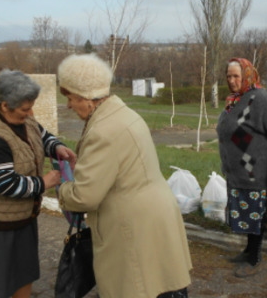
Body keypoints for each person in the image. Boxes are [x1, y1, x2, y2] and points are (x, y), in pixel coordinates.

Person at [56, 54, 192, 298]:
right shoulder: (121, 112)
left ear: (87, 97)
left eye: (70, 97)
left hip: (134, 223)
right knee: (159, 285)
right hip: (152, 213)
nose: (68, 105)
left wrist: (63, 187)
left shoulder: (103, 130)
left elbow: (85, 196)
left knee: (137, 287)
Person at [0, 70, 76, 298]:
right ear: (4, 106)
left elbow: (41, 136)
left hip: (21, 220)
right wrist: (45, 182)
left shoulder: (25, 120)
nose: (31, 113)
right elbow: (6, 184)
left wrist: (56, 147)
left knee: (22, 274)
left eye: (31, 107)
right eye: (25, 109)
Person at [217, 57, 267, 278]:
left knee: (255, 216)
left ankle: (255, 258)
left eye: (236, 76)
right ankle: (248, 250)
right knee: (246, 214)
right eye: (228, 76)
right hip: (237, 173)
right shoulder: (235, 100)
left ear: (247, 75)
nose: (231, 80)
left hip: (255, 172)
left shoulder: (262, 100)